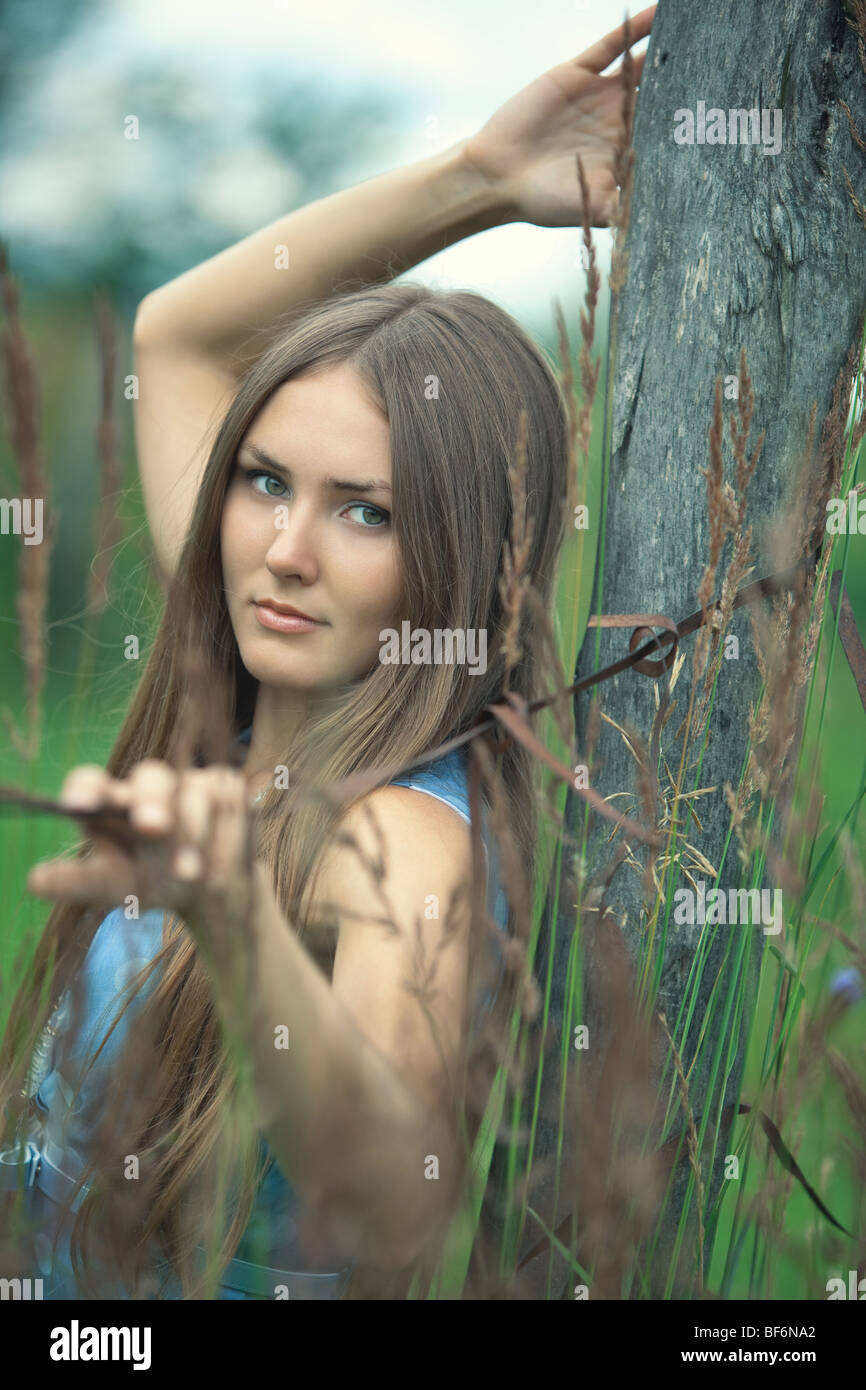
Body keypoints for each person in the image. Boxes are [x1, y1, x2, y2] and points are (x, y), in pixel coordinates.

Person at [0, 8, 655, 1300]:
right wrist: (483, 180)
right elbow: (177, 334)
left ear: (461, 557)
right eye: (260, 480)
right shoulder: (268, 654)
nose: (282, 550)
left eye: (367, 510)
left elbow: (395, 1214)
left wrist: (237, 919)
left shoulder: (405, 839)